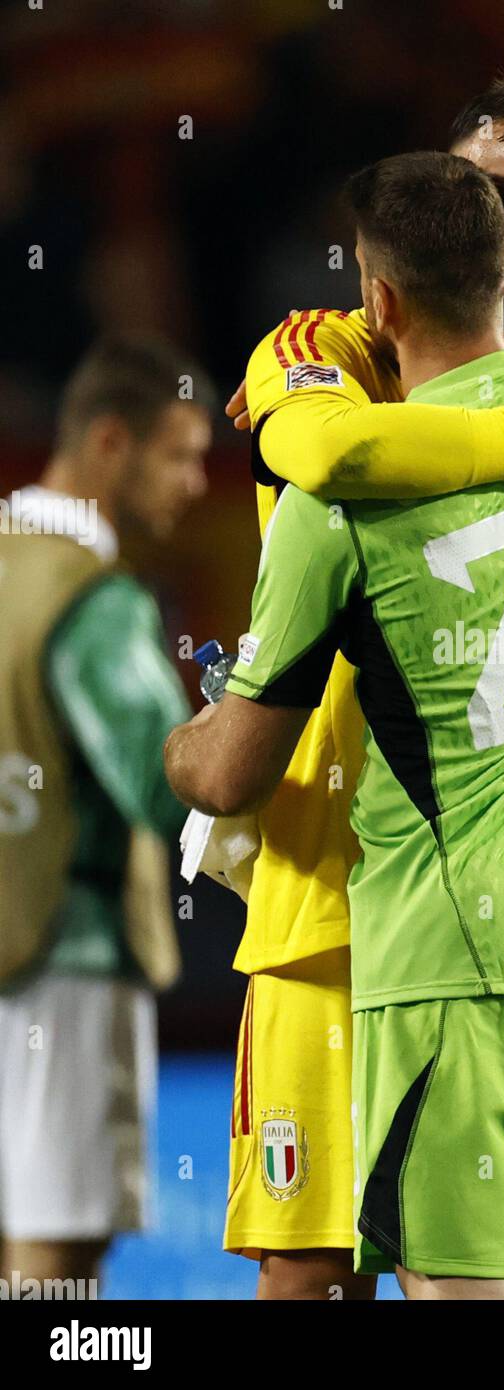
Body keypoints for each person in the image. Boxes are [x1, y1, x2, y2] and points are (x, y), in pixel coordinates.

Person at [166, 149, 504, 1300]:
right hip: (366, 911)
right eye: (498, 197)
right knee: (319, 1269)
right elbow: (335, 449)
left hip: (445, 940)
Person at [0, 336, 211, 1290]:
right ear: (112, 444)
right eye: (182, 453)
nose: (199, 483)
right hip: (67, 956)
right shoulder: (96, 601)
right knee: (60, 1262)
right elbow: (175, 792)